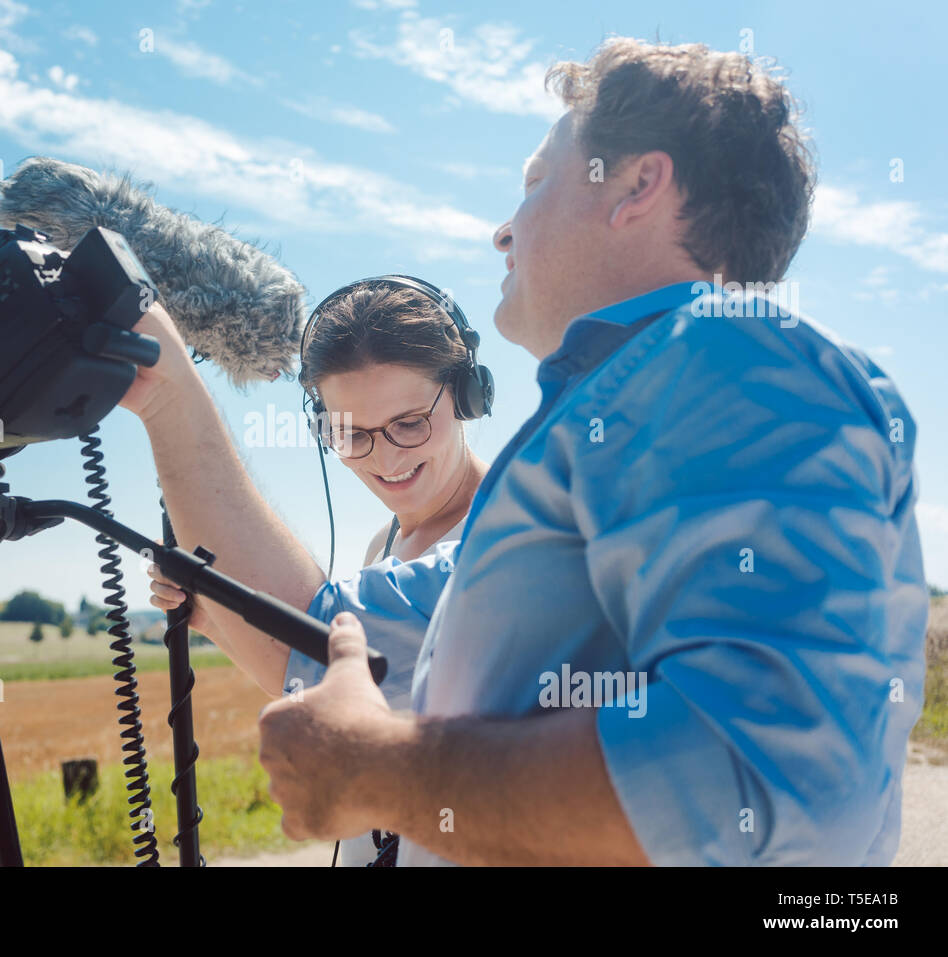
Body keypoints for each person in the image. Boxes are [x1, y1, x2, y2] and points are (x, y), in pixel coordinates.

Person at [121, 38, 928, 865]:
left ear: (638, 187)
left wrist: (384, 772)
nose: (504, 229)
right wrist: (168, 392)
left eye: (539, 179)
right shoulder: (608, 433)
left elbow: (774, 794)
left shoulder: (734, 358)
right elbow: (316, 640)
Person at [146, 278, 489, 866]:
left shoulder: (508, 536)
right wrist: (212, 619)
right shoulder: (383, 544)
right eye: (351, 433)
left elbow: (306, 642)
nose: (387, 458)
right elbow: (332, 682)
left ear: (466, 395)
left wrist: (168, 396)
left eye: (409, 422)